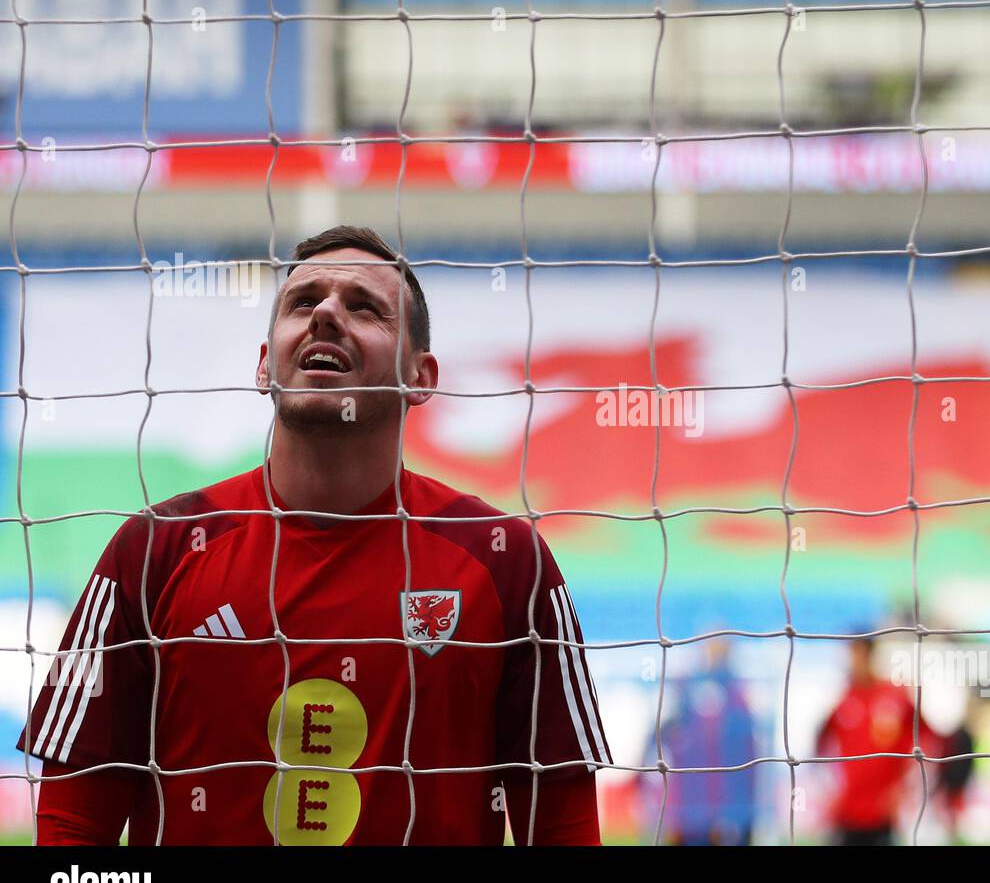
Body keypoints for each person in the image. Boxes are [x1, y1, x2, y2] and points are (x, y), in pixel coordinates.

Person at [18, 225, 610, 845]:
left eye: (365, 308)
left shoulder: (505, 559)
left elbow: (563, 824)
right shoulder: (154, 550)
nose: (326, 314)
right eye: (303, 302)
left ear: (421, 376)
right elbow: (73, 824)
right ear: (264, 363)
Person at [815, 633, 937, 845]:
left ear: (870, 655)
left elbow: (928, 742)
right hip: (847, 812)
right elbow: (819, 745)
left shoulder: (896, 696)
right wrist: (828, 790)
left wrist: (906, 788)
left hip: (883, 814)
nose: (853, 662)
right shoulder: (844, 699)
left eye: (858, 655)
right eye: (850, 655)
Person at [646, 636, 760, 845]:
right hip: (690, 812)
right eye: (711, 647)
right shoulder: (687, 695)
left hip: (727, 810)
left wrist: (738, 814)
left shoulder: (737, 699)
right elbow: (659, 738)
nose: (715, 654)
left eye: (720, 648)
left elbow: (747, 761)